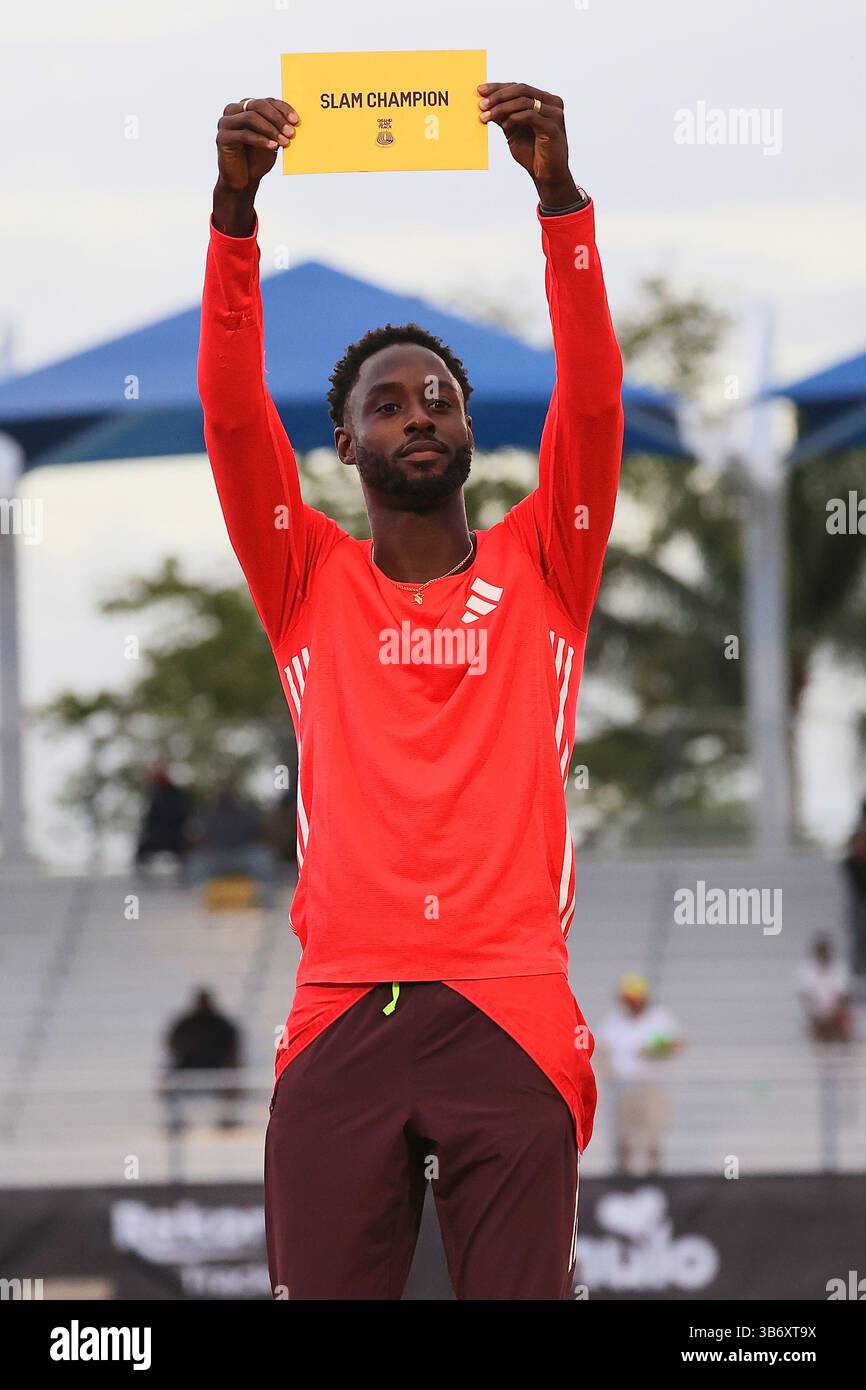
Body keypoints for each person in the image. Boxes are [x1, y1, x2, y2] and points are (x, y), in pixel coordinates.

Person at [197, 82, 623, 1300]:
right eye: (385, 403)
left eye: (437, 396)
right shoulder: (304, 580)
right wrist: (234, 214)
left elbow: (590, 403)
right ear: (344, 447)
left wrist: (558, 201)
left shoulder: (549, 564)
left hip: (512, 1006)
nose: (416, 412)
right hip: (341, 1012)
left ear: (469, 432)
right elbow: (233, 417)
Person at [596, 974, 684, 1176]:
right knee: (625, 1139)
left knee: (653, 1138)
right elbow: (602, 1048)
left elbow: (677, 1044)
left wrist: (655, 1050)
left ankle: (654, 1178)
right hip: (624, 1089)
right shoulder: (614, 1019)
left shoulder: (659, 1018)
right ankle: (624, 1179)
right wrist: (607, 1069)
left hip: (651, 1087)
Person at [185, 776, 276, 907]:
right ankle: (198, 902)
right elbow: (199, 839)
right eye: (222, 791)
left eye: (229, 791)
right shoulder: (208, 814)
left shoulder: (246, 813)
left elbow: (261, 834)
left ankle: (266, 900)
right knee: (196, 863)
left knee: (264, 857)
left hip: (242, 855)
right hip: (216, 856)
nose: (225, 794)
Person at [161, 988, 242, 1132]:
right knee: (167, 1081)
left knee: (232, 1079)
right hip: (188, 1066)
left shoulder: (223, 1024)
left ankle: (227, 1118)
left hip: (218, 1066)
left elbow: (234, 1049)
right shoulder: (185, 1023)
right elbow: (172, 1045)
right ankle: (176, 1120)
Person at [133, 764, 191, 878]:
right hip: (156, 836)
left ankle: (184, 879)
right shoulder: (154, 794)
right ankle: (141, 879)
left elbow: (182, 816)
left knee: (184, 854)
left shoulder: (176, 794)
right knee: (142, 851)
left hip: (174, 836)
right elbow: (150, 819)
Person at [795, 935, 853, 1044]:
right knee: (816, 1030)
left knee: (844, 1027)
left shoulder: (839, 968)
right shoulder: (807, 970)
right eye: (821, 954)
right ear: (817, 954)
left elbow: (843, 995)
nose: (823, 957)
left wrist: (833, 1014)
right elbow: (805, 996)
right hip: (817, 1014)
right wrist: (818, 1013)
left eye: (825, 954)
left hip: (835, 1014)